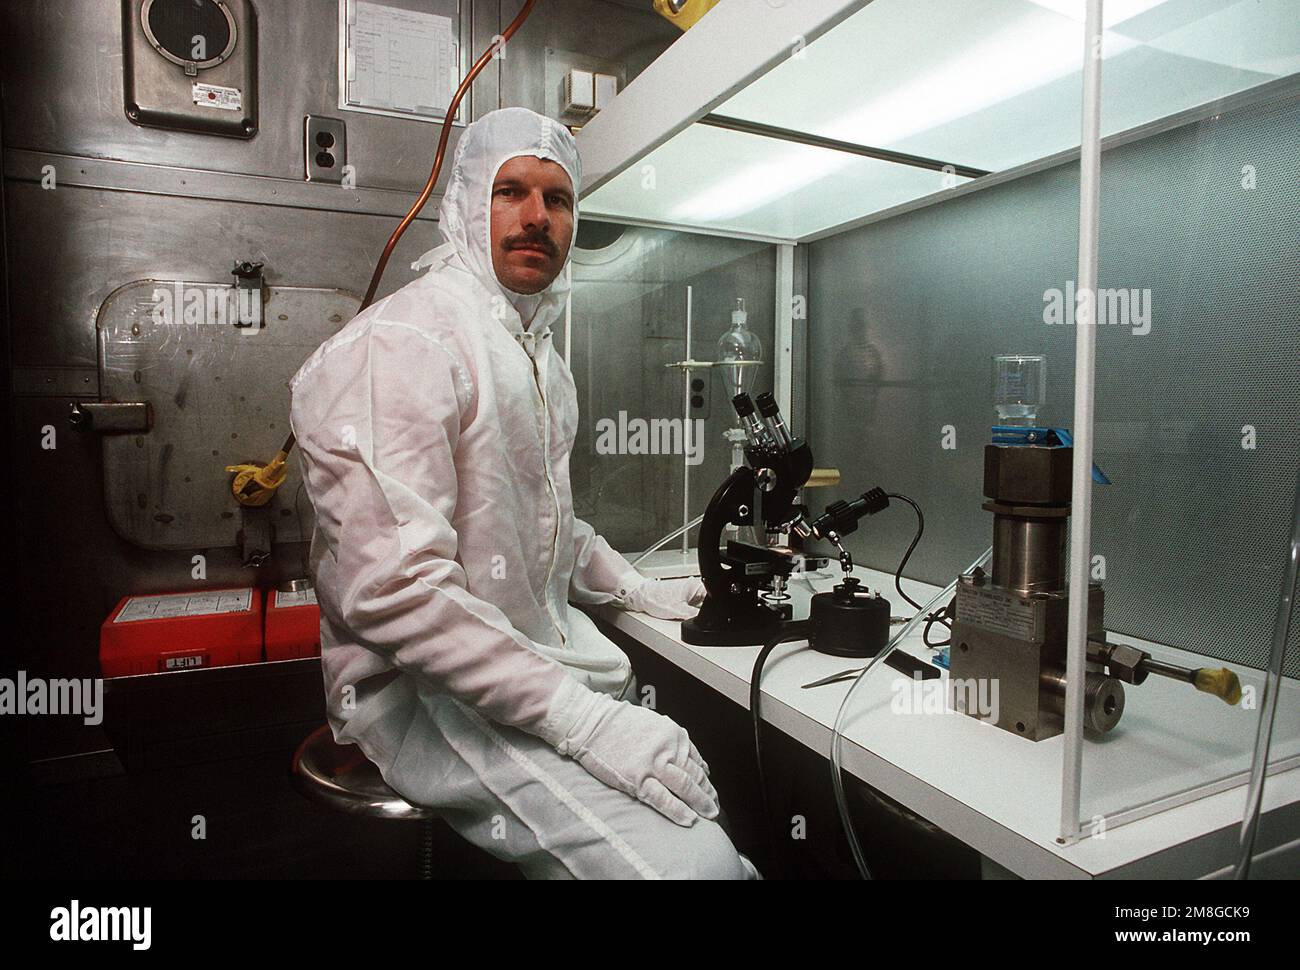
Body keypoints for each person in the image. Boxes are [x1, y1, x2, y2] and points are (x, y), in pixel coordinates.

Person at [289, 107, 757, 879]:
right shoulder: (400, 345)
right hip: (424, 694)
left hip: (539, 661)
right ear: (468, 205)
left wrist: (635, 587)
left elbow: (544, 523)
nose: (537, 217)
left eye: (559, 198)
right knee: (694, 867)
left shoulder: (534, 353)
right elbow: (399, 595)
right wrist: (585, 723)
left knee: (704, 800)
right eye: (511, 191)